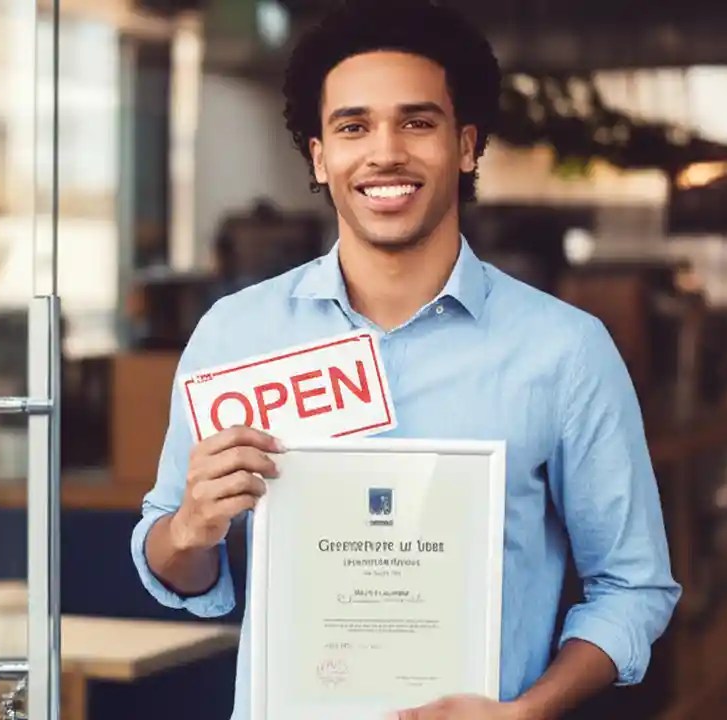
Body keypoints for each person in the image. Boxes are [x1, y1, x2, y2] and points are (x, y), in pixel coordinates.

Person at [129, 0, 682, 717]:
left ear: (467, 146)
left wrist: (526, 712)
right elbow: (173, 560)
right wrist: (192, 528)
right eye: (352, 126)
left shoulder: (565, 351)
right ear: (320, 157)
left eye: (417, 122)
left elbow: (633, 587)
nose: (384, 151)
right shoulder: (236, 334)